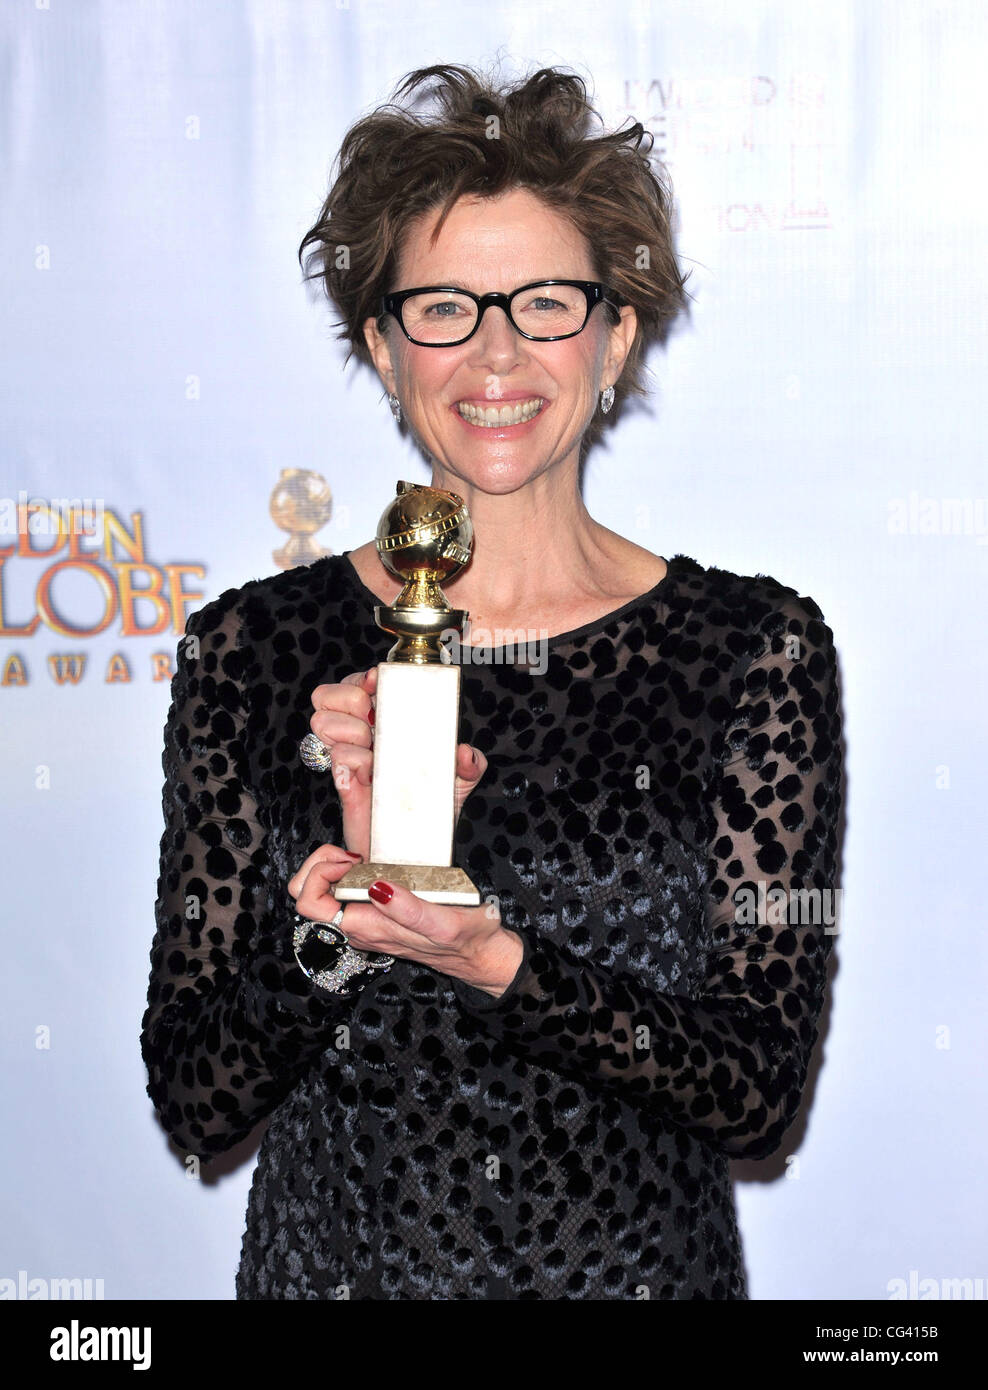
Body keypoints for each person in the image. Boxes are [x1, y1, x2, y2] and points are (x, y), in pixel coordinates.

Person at [141, 63, 843, 1300]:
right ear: (382, 345)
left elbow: (758, 1095)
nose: (497, 353)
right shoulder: (253, 650)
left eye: (545, 303)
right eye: (445, 307)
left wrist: (498, 962)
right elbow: (198, 1094)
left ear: (616, 331)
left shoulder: (753, 649)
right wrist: (333, 930)